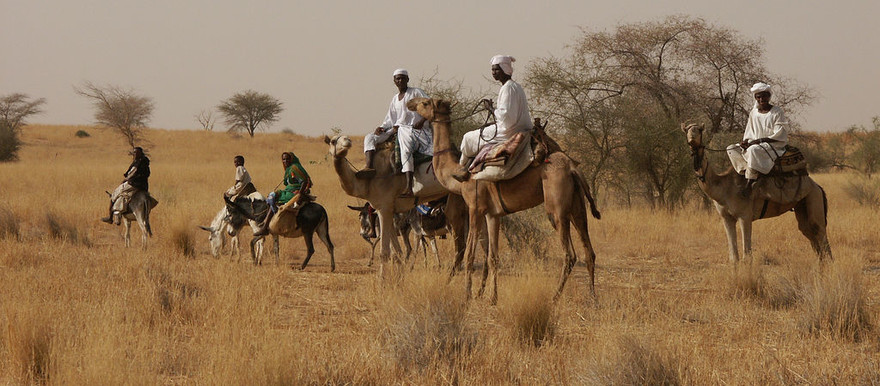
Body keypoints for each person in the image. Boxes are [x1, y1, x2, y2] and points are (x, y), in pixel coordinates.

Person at [453, 55, 533, 182]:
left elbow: (506, 116)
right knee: (481, 131)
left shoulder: (507, 88)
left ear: (505, 69)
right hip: (516, 127)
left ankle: (462, 169)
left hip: (508, 131)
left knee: (468, 138)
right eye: (493, 70)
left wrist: (490, 109)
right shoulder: (515, 86)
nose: (494, 73)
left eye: (496, 69)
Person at [357, 69, 432, 197]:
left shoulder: (415, 92)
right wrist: (381, 127)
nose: (400, 80)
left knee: (406, 149)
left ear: (407, 79)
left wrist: (422, 121)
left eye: (402, 78)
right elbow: (390, 119)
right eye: (398, 78)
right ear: (394, 81)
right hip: (395, 128)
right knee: (369, 137)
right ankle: (368, 167)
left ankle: (409, 187)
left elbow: (431, 106)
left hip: (413, 129)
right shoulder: (395, 99)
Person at [726, 82, 789, 197]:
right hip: (755, 144)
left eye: (764, 96)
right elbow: (749, 132)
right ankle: (746, 170)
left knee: (753, 150)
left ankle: (750, 181)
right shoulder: (753, 113)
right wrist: (745, 142)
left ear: (769, 96)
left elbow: (779, 134)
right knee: (731, 148)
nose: (761, 99)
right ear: (755, 97)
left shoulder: (777, 112)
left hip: (772, 145)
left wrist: (759, 141)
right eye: (758, 97)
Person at [254, 151, 311, 236]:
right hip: (289, 190)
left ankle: (265, 227)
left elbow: (304, 181)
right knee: (271, 196)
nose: (285, 161)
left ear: (291, 159)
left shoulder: (294, 168)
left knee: (273, 197)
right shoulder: (289, 169)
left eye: (287, 159)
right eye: (284, 159)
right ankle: (268, 221)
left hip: (294, 192)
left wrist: (299, 194)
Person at [101, 147, 150, 224]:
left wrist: (126, 179)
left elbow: (132, 173)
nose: (134, 154)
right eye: (134, 153)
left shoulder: (138, 163)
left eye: (136, 153)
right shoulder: (145, 162)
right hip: (144, 185)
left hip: (134, 184)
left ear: (140, 153)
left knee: (115, 194)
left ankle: (110, 217)